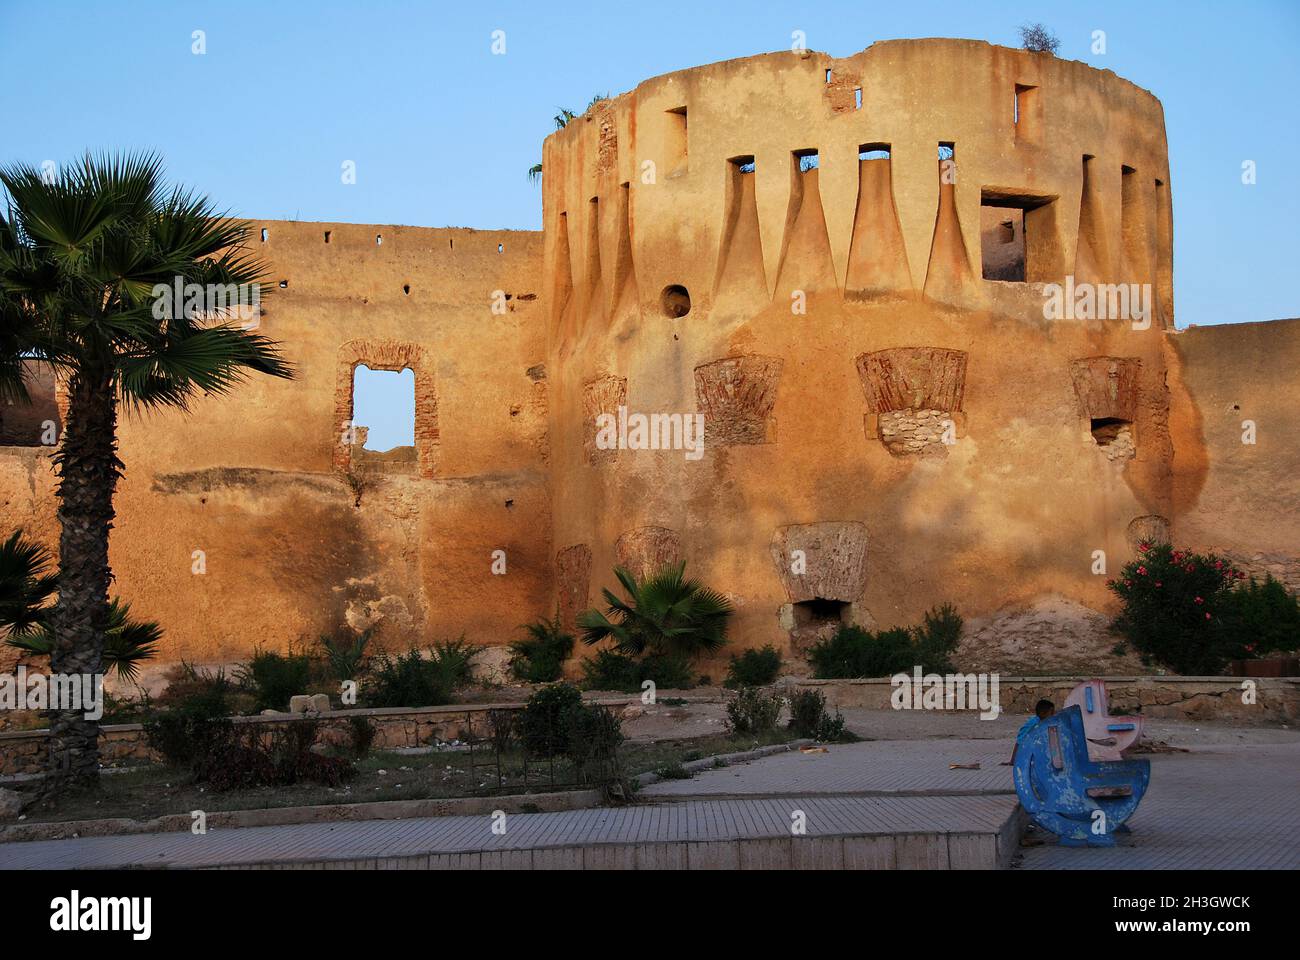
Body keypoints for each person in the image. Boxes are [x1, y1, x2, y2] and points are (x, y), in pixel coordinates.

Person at [1005, 698, 1055, 765]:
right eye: (1052, 712)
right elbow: (1019, 741)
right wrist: (1013, 761)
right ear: (1044, 713)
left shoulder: (1046, 723)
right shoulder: (1032, 723)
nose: (1053, 715)